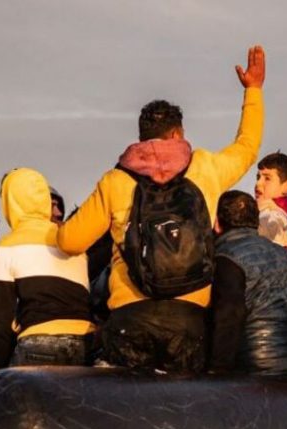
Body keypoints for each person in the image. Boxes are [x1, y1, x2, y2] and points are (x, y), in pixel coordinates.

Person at [55, 45, 266, 373]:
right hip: (190, 319)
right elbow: (247, 147)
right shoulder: (204, 168)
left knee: (127, 420)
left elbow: (70, 242)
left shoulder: (116, 180)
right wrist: (253, 91)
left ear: (140, 138)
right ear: (178, 133)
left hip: (129, 318)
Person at [0, 168, 93, 373]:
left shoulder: (7, 247)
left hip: (39, 344)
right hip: (86, 344)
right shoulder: (73, 242)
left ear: (11, 203)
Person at [208, 191, 287, 376]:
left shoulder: (226, 257)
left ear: (217, 224)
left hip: (256, 365)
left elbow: (228, 318)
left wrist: (217, 370)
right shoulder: (285, 255)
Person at [254, 151, 287, 247]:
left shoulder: (272, 217)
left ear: (286, 187)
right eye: (258, 177)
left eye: (267, 178)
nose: (258, 183)